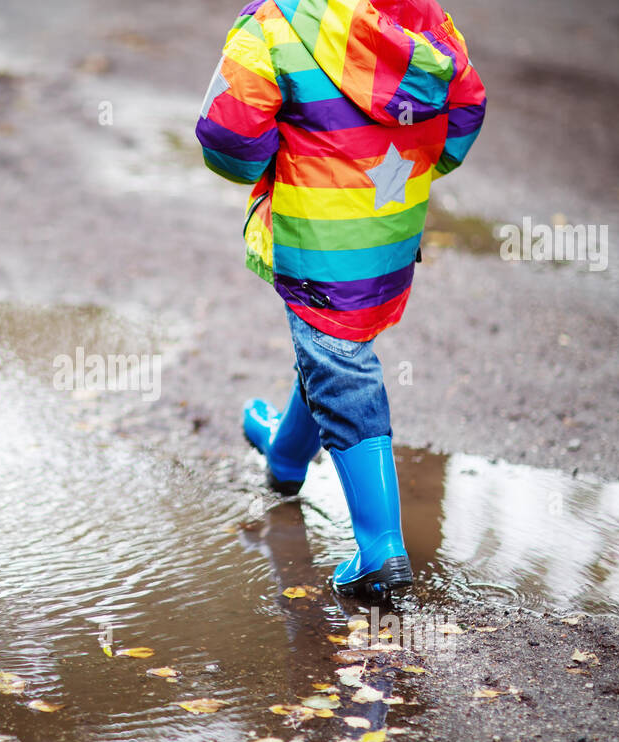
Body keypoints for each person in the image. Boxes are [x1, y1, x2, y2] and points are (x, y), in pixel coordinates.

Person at [195, 0, 486, 599]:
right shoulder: (425, 18)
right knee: (331, 344)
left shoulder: (274, 25)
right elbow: (465, 108)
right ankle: (284, 457)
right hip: (388, 231)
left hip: (318, 236)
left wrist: (289, 153)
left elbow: (228, 139)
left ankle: (381, 548)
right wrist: (409, 171)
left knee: (341, 363)